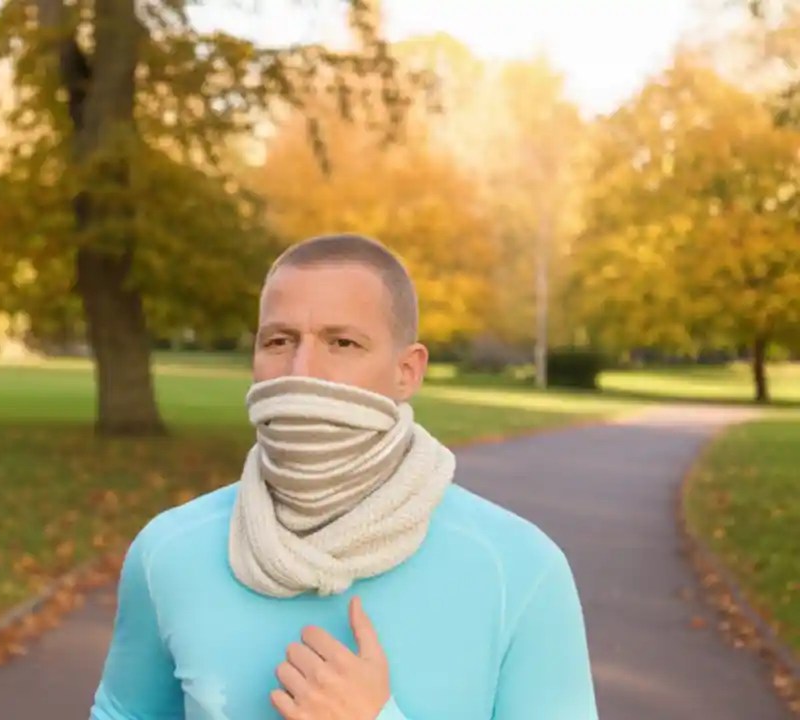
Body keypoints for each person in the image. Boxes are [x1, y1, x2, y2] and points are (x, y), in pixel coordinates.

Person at [87, 233, 598, 720]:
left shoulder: (520, 569)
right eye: (279, 340)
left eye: (343, 343)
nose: (301, 370)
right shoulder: (169, 551)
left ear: (407, 371)